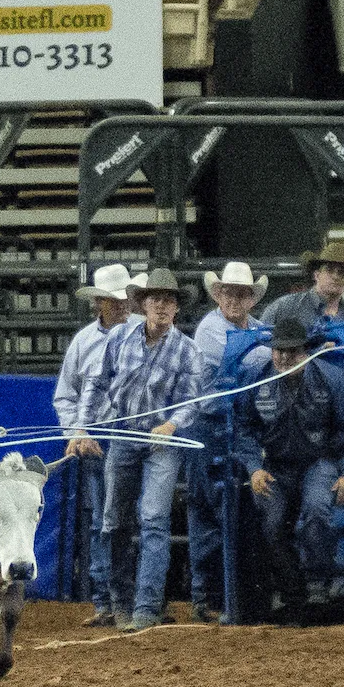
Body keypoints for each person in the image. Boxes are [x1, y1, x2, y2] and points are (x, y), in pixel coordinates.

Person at [67, 269, 204, 633]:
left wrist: (172, 424)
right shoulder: (121, 337)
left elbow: (192, 401)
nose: (162, 306)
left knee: (154, 519)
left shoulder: (188, 350)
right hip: (124, 433)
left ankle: (145, 607)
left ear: (176, 309)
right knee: (114, 521)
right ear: (142, 304)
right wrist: (83, 426)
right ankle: (120, 603)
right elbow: (96, 383)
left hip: (164, 443)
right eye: (155, 299)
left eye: (169, 301)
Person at [234, 317, 344, 619]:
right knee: (271, 522)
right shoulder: (258, 379)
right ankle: (292, 589)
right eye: (278, 350)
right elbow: (244, 429)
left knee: (317, 509)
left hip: (321, 461)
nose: (282, 357)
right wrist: (254, 467)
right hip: (275, 465)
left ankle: (318, 582)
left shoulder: (332, 379)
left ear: (305, 351)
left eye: (291, 351)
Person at [181, 261, 269, 623]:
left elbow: (263, 358)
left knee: (233, 510)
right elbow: (253, 362)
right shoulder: (209, 329)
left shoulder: (259, 330)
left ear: (251, 298)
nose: (234, 299)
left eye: (242, 293)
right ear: (218, 295)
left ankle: (227, 593)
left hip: (244, 424)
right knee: (209, 508)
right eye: (229, 292)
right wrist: (272, 354)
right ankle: (207, 595)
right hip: (209, 423)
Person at [55, 264, 140, 627]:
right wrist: (77, 433)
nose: (121, 306)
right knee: (102, 522)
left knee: (122, 520)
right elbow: (66, 396)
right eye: (113, 301)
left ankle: (124, 598)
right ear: (99, 304)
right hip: (97, 438)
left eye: (124, 300)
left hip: (130, 435)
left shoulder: (142, 333)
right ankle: (107, 600)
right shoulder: (84, 341)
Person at [259, 241, 344, 329]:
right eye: (329, 270)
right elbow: (260, 339)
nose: (335, 276)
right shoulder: (285, 307)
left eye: (341, 272)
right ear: (316, 275)